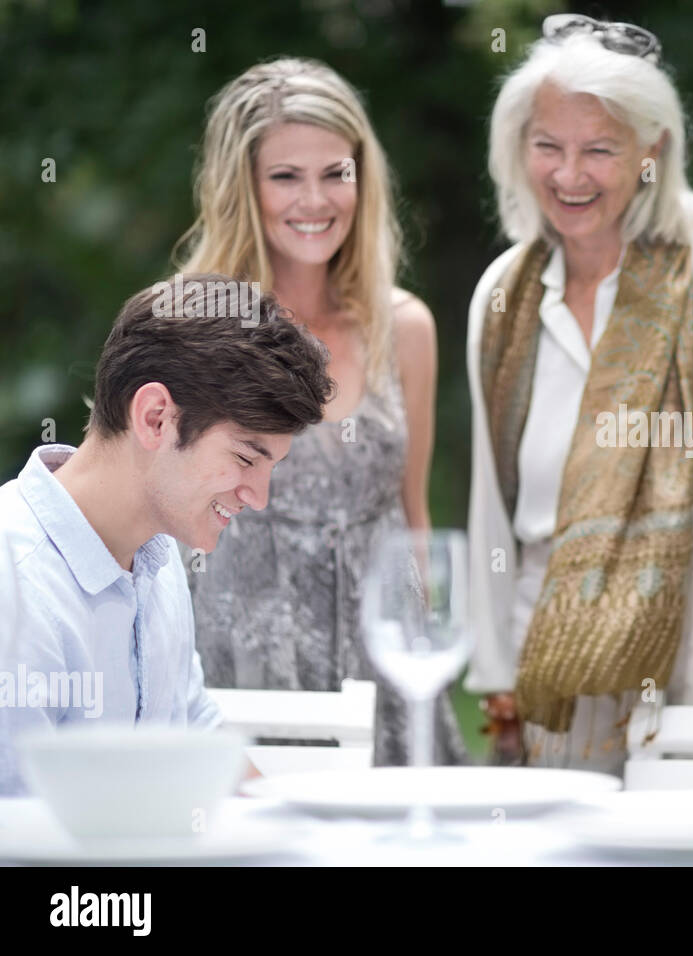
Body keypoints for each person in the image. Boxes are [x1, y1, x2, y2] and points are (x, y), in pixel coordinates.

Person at [466, 15, 693, 772]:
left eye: (600, 150)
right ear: (517, 150)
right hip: (550, 625)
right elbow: (488, 503)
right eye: (548, 147)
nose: (570, 176)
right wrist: (496, 672)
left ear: (651, 152)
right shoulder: (502, 292)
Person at [177, 58, 464, 766]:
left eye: (336, 172)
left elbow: (413, 519)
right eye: (285, 176)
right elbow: (156, 523)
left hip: (380, 672)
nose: (315, 199)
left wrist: (424, 653)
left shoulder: (407, 329)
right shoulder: (192, 324)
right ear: (243, 185)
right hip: (236, 669)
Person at [0, 276, 333, 794]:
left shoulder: (157, 556)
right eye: (246, 457)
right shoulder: (15, 591)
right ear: (156, 418)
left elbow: (197, 737)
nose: (260, 497)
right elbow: (20, 835)